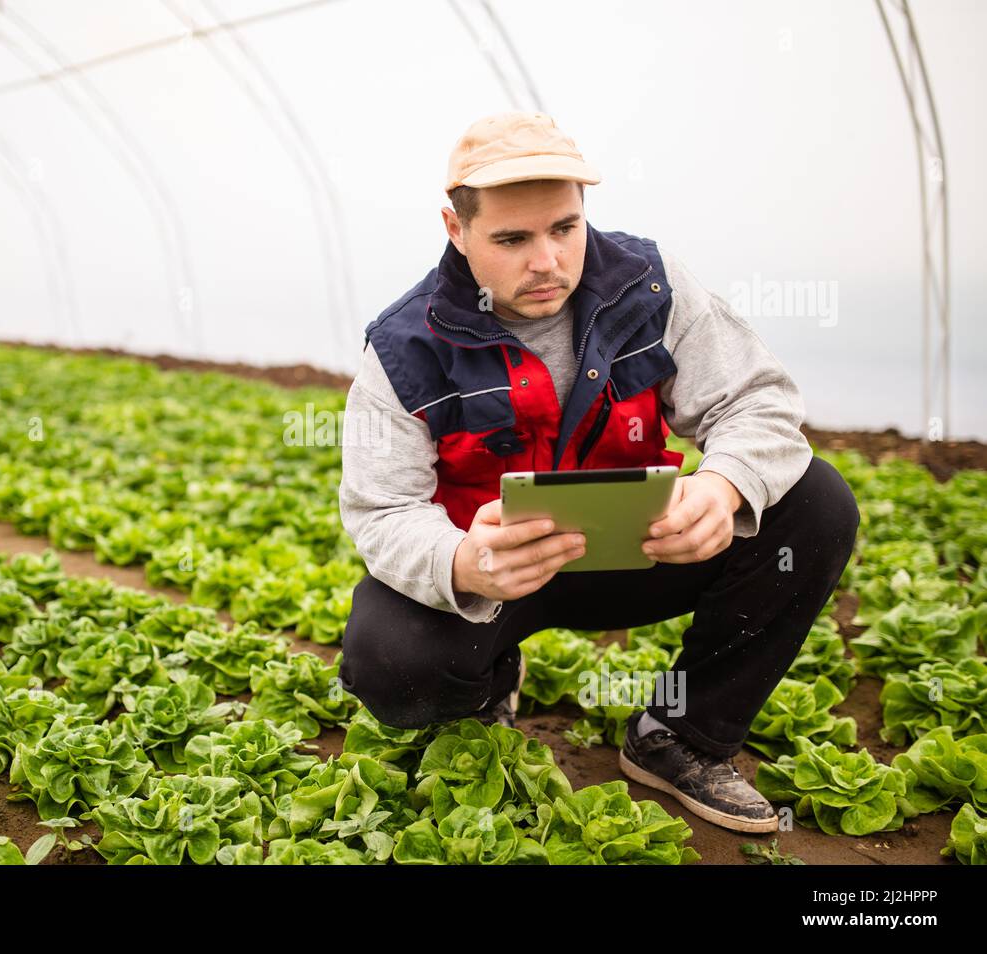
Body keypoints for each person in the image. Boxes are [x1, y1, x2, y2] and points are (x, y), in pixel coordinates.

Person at [335, 111, 860, 834]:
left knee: (816, 503)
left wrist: (722, 485)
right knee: (390, 658)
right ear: (456, 231)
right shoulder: (404, 345)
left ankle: (681, 733)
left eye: (565, 228)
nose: (547, 261)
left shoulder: (650, 287)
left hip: (637, 557)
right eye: (513, 239)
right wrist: (461, 560)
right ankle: (488, 681)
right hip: (496, 581)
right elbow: (381, 509)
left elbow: (756, 400)